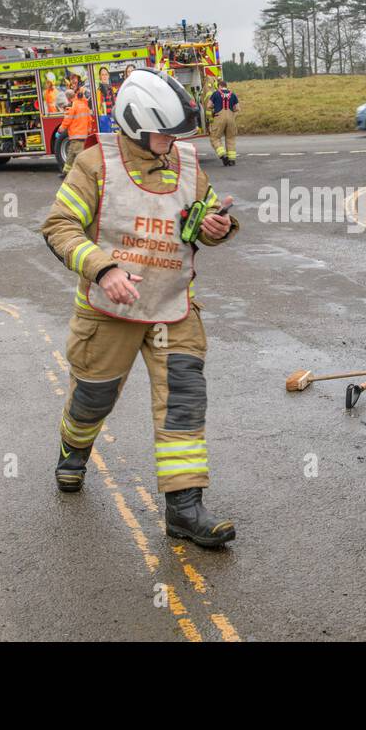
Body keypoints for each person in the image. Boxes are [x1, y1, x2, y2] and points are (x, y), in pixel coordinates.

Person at [41, 67, 239, 547]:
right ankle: (74, 451)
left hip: (174, 306)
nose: (171, 142)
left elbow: (205, 217)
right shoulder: (94, 165)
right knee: (94, 399)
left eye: (175, 133)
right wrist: (103, 269)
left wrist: (218, 227)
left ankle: (185, 509)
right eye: (161, 133)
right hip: (109, 310)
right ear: (132, 123)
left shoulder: (187, 163)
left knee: (184, 402)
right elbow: (59, 226)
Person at [57, 86, 93, 176]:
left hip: (76, 135)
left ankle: (87, 173)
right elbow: (89, 119)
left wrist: (60, 130)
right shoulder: (83, 104)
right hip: (82, 135)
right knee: (70, 154)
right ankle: (66, 172)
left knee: (79, 156)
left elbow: (67, 120)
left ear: (68, 98)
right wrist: (88, 131)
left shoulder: (72, 106)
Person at [208, 80, 239, 165]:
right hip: (231, 118)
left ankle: (223, 156)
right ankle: (232, 160)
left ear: (219, 86)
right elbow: (237, 108)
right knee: (230, 138)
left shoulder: (215, 94)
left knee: (215, 138)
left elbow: (209, 106)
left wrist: (216, 106)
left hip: (219, 118)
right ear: (226, 86)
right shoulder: (233, 94)